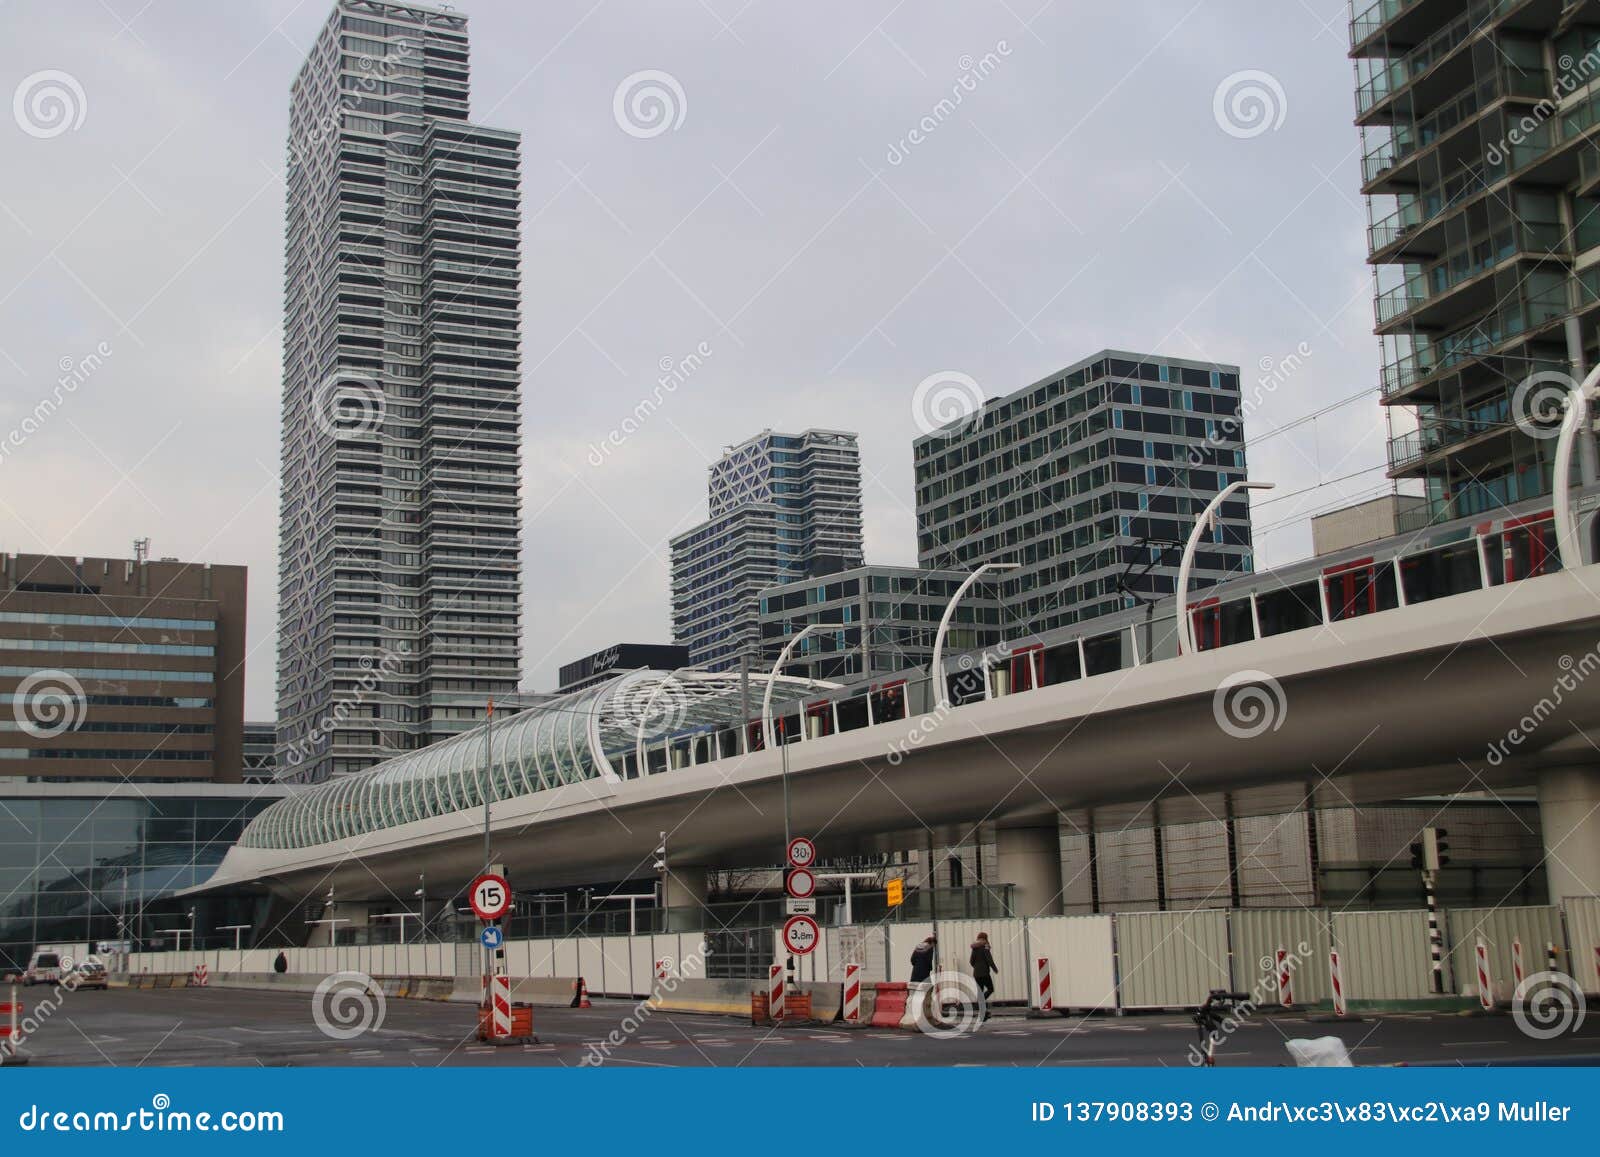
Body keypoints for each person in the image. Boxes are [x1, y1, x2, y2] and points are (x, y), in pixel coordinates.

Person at [969, 931, 998, 1018]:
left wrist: (976, 967)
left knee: (980, 992)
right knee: (990, 989)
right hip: (984, 973)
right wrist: (994, 969)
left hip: (976, 974)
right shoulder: (985, 946)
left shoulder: (975, 947)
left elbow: (971, 961)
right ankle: (979, 1004)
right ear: (985, 938)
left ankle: (983, 1013)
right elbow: (989, 959)